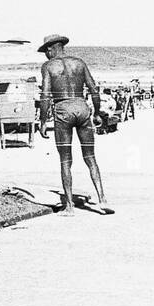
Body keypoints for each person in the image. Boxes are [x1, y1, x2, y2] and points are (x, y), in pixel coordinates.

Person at [37, 33, 109, 214]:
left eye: (46, 51)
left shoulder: (48, 66)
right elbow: (93, 88)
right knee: (90, 157)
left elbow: (45, 94)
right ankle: (102, 199)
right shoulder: (79, 62)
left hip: (63, 109)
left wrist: (43, 121)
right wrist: (98, 112)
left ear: (50, 49)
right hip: (82, 107)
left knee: (65, 160)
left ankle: (69, 206)